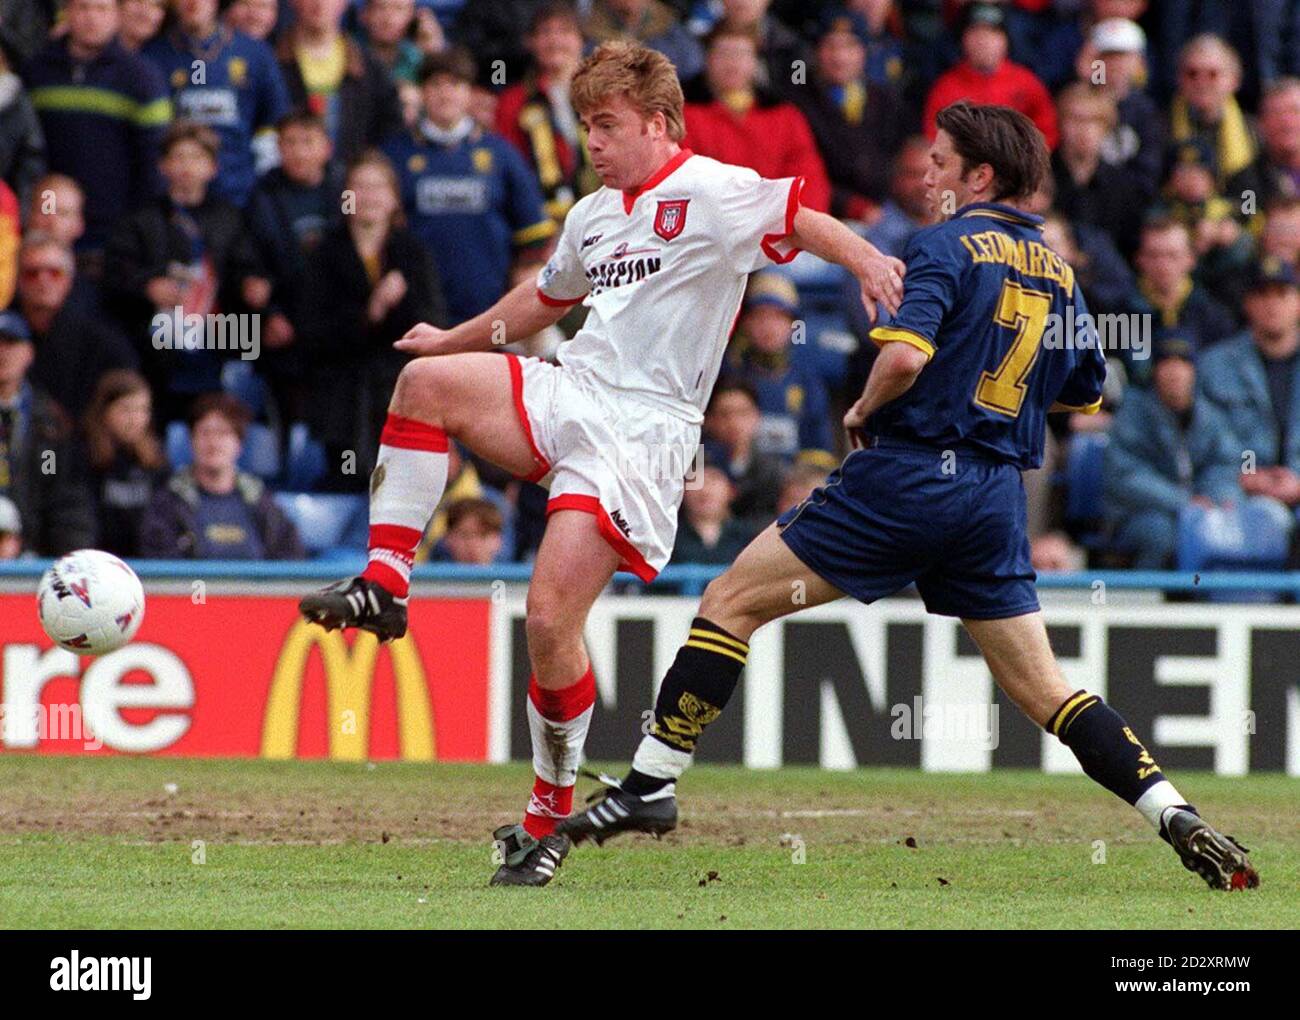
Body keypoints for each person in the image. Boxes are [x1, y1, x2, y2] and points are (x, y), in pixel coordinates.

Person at [556, 100, 1259, 895]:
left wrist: (862, 410)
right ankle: (1173, 811)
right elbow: (1087, 388)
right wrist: (999, 391)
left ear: (979, 175)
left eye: (939, 160)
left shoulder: (946, 245)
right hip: (997, 496)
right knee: (1045, 687)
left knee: (729, 601)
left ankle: (651, 783)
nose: (926, 173)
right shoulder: (1057, 268)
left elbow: (903, 358)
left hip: (911, 475)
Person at [298, 40, 906, 887]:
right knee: (424, 381)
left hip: (643, 433)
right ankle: (386, 584)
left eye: (607, 125)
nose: (593, 141)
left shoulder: (712, 190)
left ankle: (548, 815)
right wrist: (455, 335)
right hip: (571, 388)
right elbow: (543, 300)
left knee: (549, 623)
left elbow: (801, 216)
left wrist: (869, 260)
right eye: (585, 124)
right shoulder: (593, 213)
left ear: (658, 124)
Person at [105, 120, 270, 422]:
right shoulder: (141, 220)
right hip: (157, 350)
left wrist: (251, 285)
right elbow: (115, 275)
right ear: (163, 166)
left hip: (217, 344)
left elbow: (245, 266)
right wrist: (147, 287)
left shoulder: (229, 218)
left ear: (212, 168)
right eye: (179, 157)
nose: (187, 167)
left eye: (196, 158)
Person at [297, 150, 444, 489]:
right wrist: (371, 311)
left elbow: (433, 325)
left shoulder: (413, 252)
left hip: (400, 392)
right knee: (348, 484)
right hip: (341, 402)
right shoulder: (323, 254)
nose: (368, 197)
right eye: (359, 187)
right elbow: (312, 335)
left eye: (378, 187)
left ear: (394, 197)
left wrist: (398, 311)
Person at [383, 48, 555, 324]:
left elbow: (533, 233)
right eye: (435, 84)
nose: (445, 93)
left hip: (489, 311)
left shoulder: (501, 154)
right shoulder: (395, 155)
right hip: (416, 310)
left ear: (470, 93)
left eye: (455, 84)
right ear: (421, 92)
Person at [24, 0, 172, 253]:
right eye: (83, 8)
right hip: (49, 220)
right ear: (67, 13)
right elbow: (25, 151)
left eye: (101, 9)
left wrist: (137, 226)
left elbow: (154, 162)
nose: (91, 18)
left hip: (115, 226)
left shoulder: (141, 77)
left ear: (117, 15)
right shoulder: (37, 71)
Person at [1104, 334, 1241, 568]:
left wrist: (1216, 497)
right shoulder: (1133, 413)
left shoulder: (1211, 416)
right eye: (1166, 363)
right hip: (1138, 514)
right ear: (1154, 371)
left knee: (1230, 525)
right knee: (1161, 532)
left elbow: (1225, 464)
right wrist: (1184, 502)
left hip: (1200, 511)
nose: (1175, 372)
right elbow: (1125, 476)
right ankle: (1147, 599)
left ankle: (1212, 598)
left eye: (1183, 363)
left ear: (1194, 371)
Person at [142, 0, 291, 207]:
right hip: (174, 198)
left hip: (240, 195)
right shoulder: (152, 57)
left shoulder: (255, 53)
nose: (193, 4)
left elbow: (277, 121)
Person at [682, 24, 831, 213]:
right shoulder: (683, 114)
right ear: (707, 60)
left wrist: (794, 225)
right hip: (710, 225)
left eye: (741, 54)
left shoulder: (784, 114)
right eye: (723, 53)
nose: (732, 63)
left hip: (778, 226)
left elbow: (809, 179)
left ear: (755, 61)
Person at [139, 392, 304, 558]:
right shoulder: (167, 504)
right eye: (205, 433)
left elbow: (290, 557)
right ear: (191, 441)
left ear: (239, 444)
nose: (213, 443)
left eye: (223, 433)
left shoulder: (263, 503)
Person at [1197, 259, 1300, 508]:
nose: (1272, 304)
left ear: (1297, 302)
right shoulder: (1215, 365)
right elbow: (1207, 435)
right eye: (1262, 295)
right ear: (1247, 303)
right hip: (1236, 484)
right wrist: (1249, 474)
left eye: (1282, 295)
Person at [0, 310, 96, 555]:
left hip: (31, 559)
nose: (3, 352)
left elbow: (61, 496)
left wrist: (64, 559)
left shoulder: (49, 427)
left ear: (28, 353)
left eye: (11, 343)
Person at [495, 2, 598, 225]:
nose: (555, 40)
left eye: (565, 31)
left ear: (582, 40)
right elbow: (508, 169)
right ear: (530, 42)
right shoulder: (513, 101)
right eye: (545, 32)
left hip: (603, 212)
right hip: (541, 220)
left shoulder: (605, 95)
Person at [18, 232, 139, 420]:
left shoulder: (101, 339)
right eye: (32, 273)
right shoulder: (6, 329)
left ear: (69, 279)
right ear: (18, 280)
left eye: (54, 273)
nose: (43, 281)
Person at [275, 0, 403, 166]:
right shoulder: (271, 62)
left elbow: (390, 130)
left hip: (350, 185)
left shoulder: (370, 67)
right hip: (287, 185)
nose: (319, 4)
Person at [923, 3, 1057, 150]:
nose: (983, 40)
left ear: (1006, 40)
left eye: (992, 32)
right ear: (963, 39)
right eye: (975, 32)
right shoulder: (946, 88)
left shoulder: (1027, 82)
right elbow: (934, 139)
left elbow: (1047, 133)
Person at [83, 368, 169, 557]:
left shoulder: (158, 463)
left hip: (147, 564)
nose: (135, 420)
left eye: (143, 410)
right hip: (99, 562)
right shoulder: (83, 458)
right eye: (126, 409)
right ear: (104, 411)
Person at [670, 464, 754, 565]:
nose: (704, 491)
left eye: (713, 480)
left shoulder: (749, 538)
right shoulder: (666, 539)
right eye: (695, 482)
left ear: (732, 490)